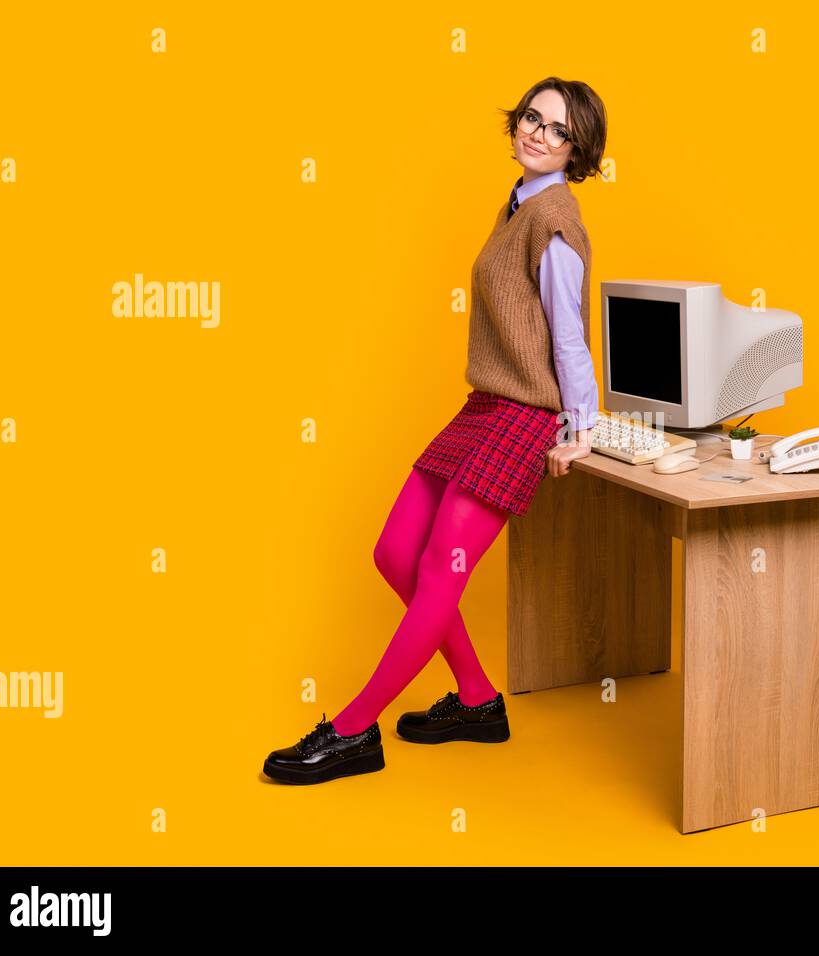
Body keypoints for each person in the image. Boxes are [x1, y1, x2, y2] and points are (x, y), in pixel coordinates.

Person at [263, 77, 607, 784]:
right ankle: (479, 702)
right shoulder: (518, 203)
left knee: (438, 575)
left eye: (557, 130)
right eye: (531, 118)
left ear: (578, 151)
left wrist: (584, 429)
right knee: (396, 556)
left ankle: (353, 731)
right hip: (485, 404)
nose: (537, 134)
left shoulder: (556, 220)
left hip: (524, 415)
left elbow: (569, 338)